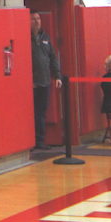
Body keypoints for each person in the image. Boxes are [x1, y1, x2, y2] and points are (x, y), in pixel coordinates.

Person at [31, 13, 63, 150]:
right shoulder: (25, 37)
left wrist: (57, 76)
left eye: (38, 19)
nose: (36, 21)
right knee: (31, 112)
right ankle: (29, 141)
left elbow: (52, 57)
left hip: (45, 80)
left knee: (41, 111)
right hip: (31, 82)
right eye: (33, 19)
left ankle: (40, 140)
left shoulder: (45, 37)